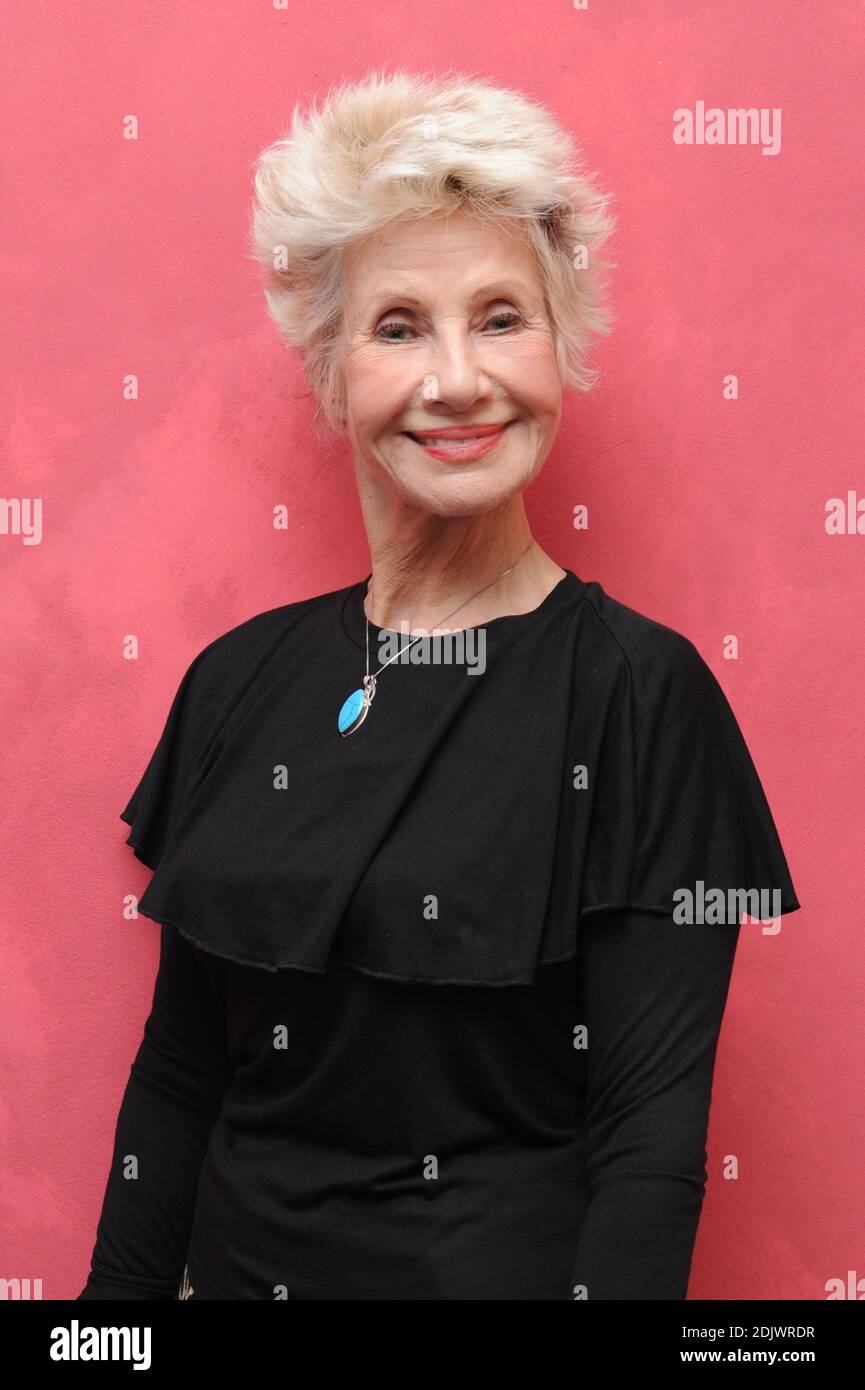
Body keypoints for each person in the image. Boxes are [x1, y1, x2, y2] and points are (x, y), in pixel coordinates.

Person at [78, 68, 800, 1301]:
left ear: (561, 345)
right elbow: (179, 1077)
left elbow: (648, 1158)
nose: (457, 379)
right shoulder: (236, 680)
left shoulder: (639, 695)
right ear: (330, 370)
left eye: (501, 318)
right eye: (399, 326)